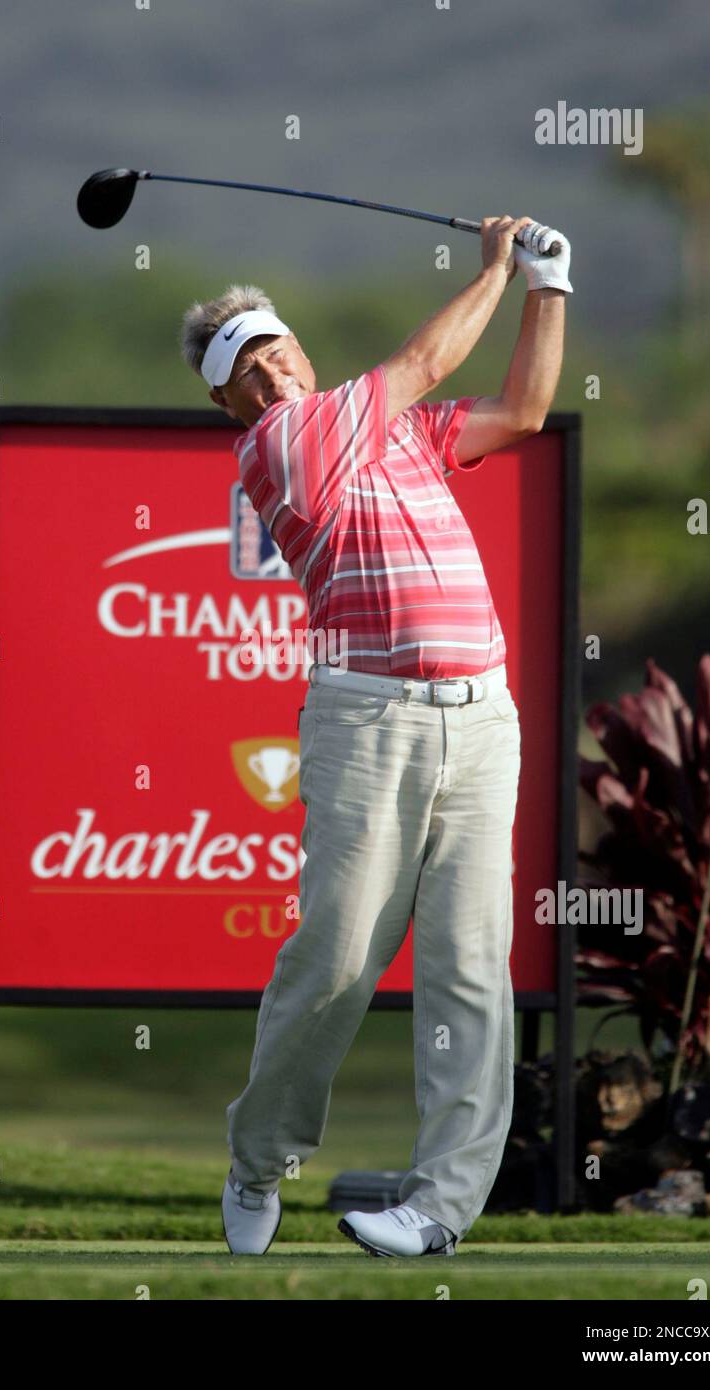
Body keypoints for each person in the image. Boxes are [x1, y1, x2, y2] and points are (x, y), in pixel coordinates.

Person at [179, 215, 571, 1257]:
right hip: (369, 717)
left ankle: (439, 1205)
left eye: (276, 350)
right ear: (226, 402)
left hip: (482, 719)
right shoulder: (282, 443)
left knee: (469, 964)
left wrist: (548, 289)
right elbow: (427, 357)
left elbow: (523, 408)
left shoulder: (398, 429)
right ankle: (259, 1157)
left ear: (301, 348)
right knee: (339, 954)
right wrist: (495, 264)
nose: (269, 375)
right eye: (244, 370)